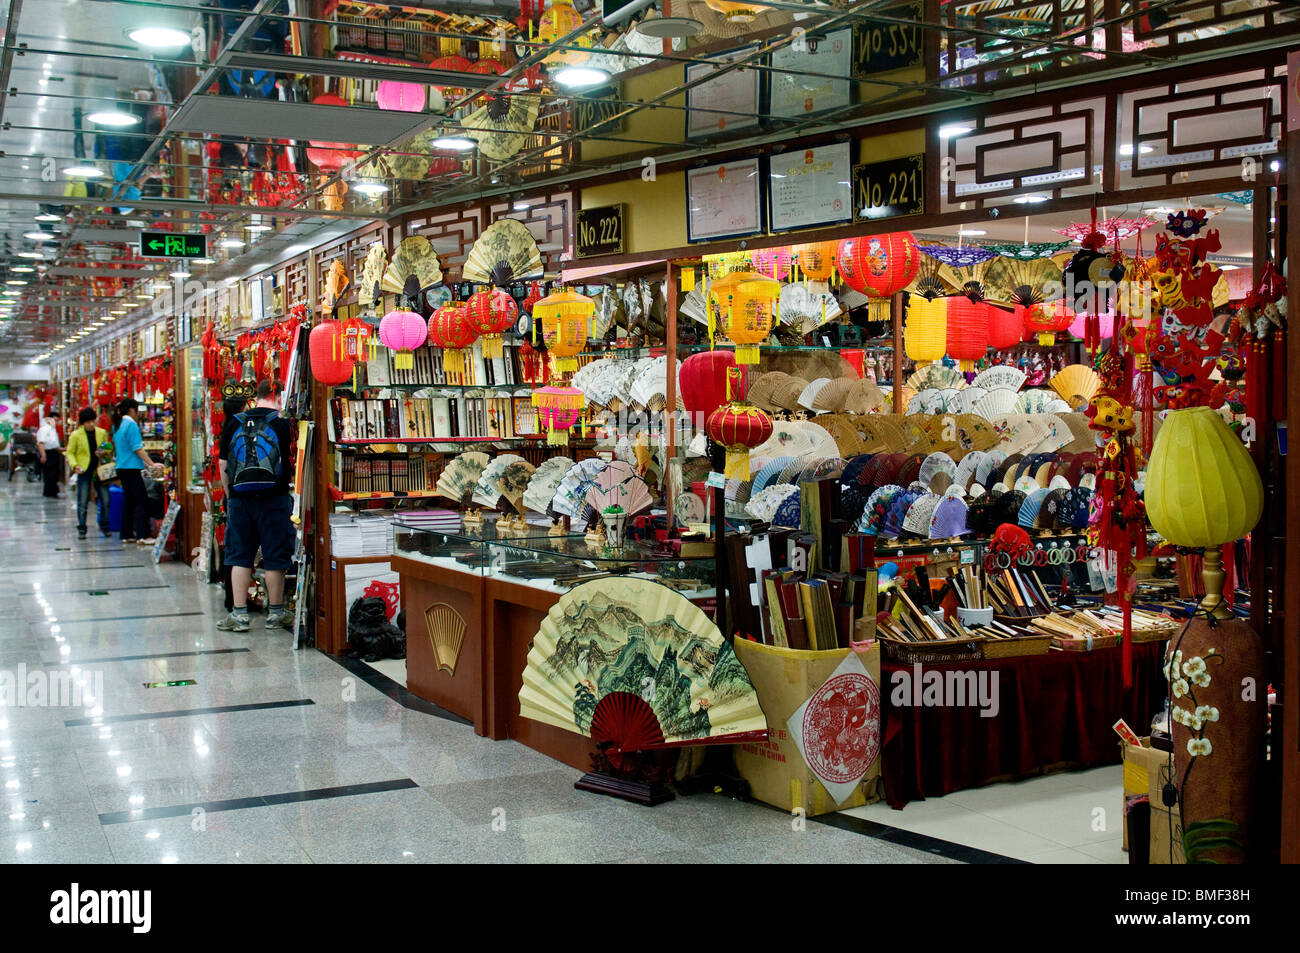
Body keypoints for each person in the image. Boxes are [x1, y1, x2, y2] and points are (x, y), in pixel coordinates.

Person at [218, 380, 294, 632]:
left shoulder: (234, 422)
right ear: (276, 396)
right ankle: (276, 613)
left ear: (257, 396)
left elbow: (222, 466)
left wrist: (231, 496)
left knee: (239, 555)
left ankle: (239, 615)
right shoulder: (282, 424)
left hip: (241, 500)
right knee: (275, 557)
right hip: (275, 499)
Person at [113, 398, 163, 545]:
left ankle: (126, 533)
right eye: (137, 410)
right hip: (131, 467)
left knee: (129, 501)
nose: (138, 414)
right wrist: (152, 464)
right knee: (142, 501)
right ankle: (143, 535)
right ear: (131, 410)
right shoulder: (131, 425)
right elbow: (137, 448)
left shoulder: (118, 424)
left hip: (121, 467)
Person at [66, 408, 112, 539]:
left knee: (106, 499)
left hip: (100, 469)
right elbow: (70, 452)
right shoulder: (76, 435)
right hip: (84, 469)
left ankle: (105, 525)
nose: (91, 424)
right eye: (88, 422)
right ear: (82, 423)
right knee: (83, 500)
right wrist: (75, 465)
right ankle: (82, 528)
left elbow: (107, 447)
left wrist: (104, 451)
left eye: (93, 421)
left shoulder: (101, 432)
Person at [36, 412, 63, 498]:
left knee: (54, 473)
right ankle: (50, 491)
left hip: (54, 452)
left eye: (57, 421)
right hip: (48, 453)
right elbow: (41, 443)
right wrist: (43, 455)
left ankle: (52, 491)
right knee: (49, 473)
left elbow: (55, 444)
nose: (56, 422)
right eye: (54, 420)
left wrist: (62, 449)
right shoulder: (44, 429)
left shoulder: (53, 430)